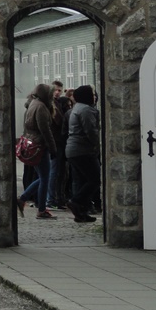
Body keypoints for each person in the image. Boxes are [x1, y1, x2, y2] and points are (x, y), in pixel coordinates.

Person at [16, 83, 58, 220]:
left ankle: (23, 199)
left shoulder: (33, 104)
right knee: (45, 178)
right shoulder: (40, 107)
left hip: (33, 145)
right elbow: (45, 130)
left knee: (43, 177)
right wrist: (53, 148)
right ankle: (41, 209)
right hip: (39, 146)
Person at [65, 85, 101, 224]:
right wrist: (97, 145)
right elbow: (90, 130)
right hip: (82, 150)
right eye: (92, 94)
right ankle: (76, 202)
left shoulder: (78, 107)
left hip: (74, 149)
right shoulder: (85, 109)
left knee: (82, 181)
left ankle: (81, 213)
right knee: (94, 179)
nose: (94, 96)